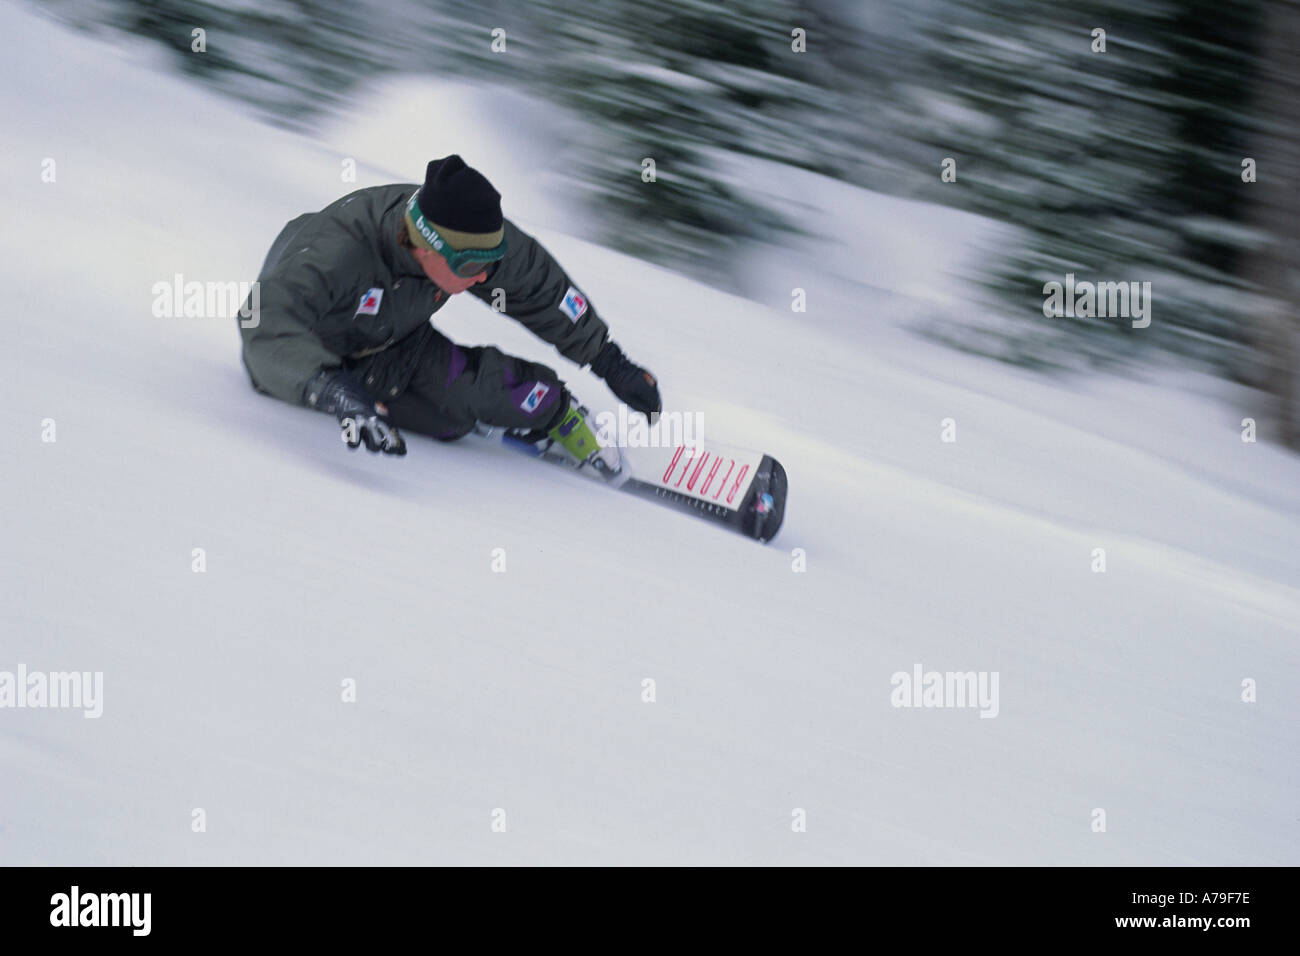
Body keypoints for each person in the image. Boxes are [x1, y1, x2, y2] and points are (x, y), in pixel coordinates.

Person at [237, 155, 660, 471]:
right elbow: (263, 320)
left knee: (475, 396)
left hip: (396, 343)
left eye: (487, 265)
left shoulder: (466, 231)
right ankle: (467, 416)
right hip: (310, 365)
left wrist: (608, 360)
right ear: (424, 247)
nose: (481, 279)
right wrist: (329, 388)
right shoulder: (338, 250)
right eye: (470, 268)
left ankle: (556, 415)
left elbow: (537, 284)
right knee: (442, 423)